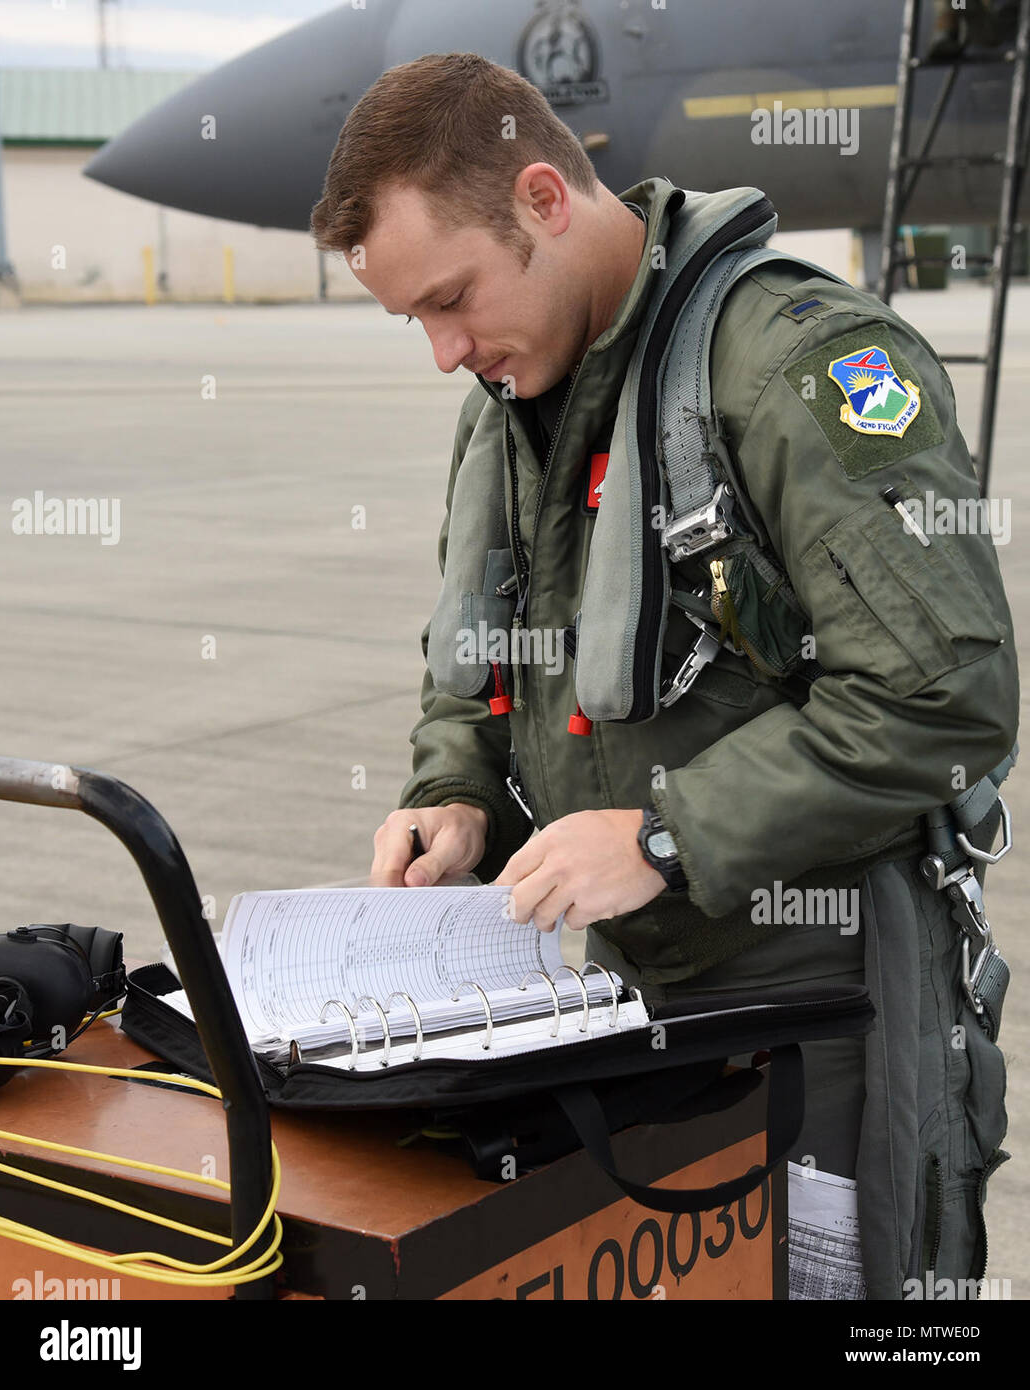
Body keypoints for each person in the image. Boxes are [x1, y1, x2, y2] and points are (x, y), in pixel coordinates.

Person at [310, 52, 1018, 1300]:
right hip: (635, 1006)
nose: (440, 351)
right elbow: (479, 652)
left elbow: (943, 700)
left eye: (451, 298)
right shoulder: (514, 388)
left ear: (542, 197)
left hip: (823, 1011)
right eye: (412, 317)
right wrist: (453, 787)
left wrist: (665, 832)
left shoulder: (796, 368)